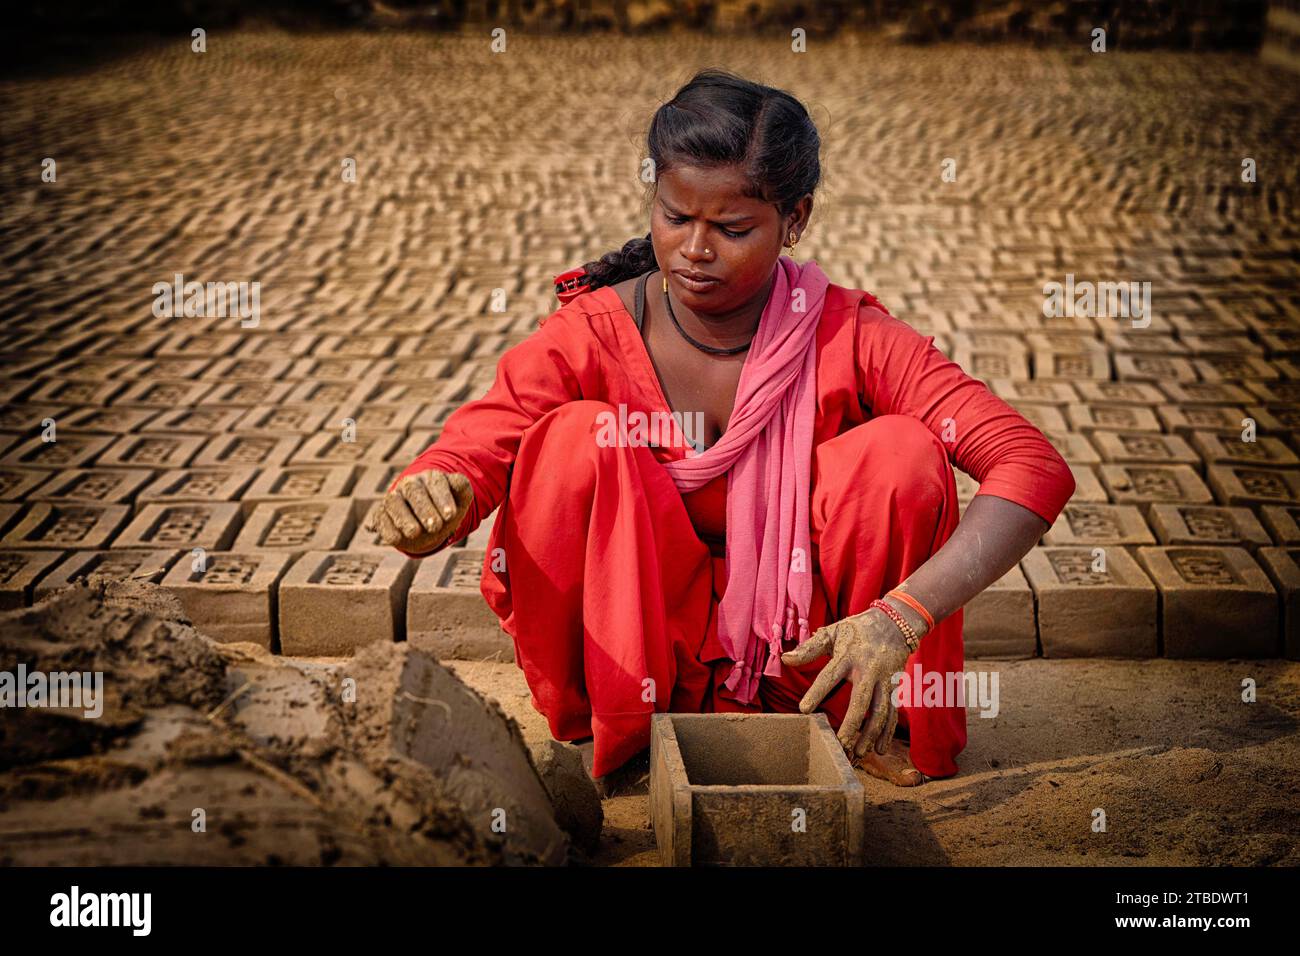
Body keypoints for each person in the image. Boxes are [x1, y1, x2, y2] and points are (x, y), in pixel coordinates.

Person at [368, 68, 1074, 791]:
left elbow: (1032, 465)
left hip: (812, 659)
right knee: (572, 439)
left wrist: (901, 619)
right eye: (676, 217)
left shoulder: (847, 335)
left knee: (899, 456)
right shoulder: (594, 332)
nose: (694, 250)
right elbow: (480, 445)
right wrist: (435, 491)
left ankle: (858, 723)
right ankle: (620, 731)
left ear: (794, 220)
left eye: (731, 229)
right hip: (638, 665)